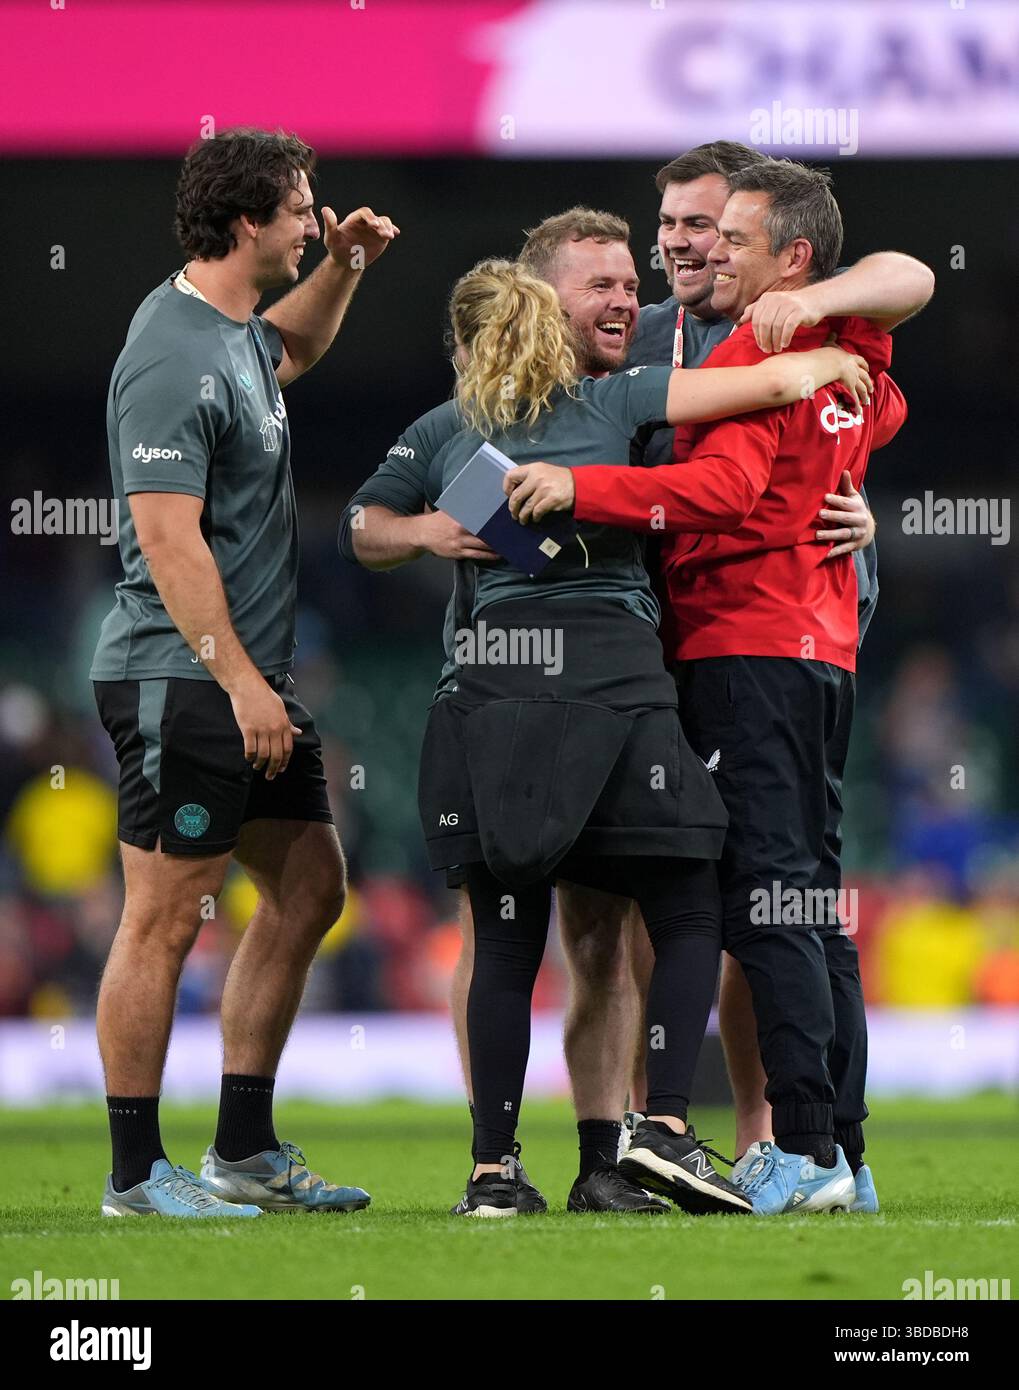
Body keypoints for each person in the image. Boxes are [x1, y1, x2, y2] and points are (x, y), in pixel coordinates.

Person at [377, 254, 871, 1216]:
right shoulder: (621, 399)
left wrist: (432, 532)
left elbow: (361, 523)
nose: (624, 300)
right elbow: (763, 384)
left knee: (508, 932)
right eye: (598, 285)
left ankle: (493, 1174)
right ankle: (660, 1132)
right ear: (545, 316)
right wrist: (825, 360)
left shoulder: (447, 431)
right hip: (614, 678)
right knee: (688, 896)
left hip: (485, 687)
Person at [504, 158, 911, 1214]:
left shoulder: (761, 339)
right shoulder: (838, 348)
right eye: (684, 229)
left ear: (788, 257)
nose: (696, 249)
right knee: (806, 902)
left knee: (764, 900)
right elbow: (885, 396)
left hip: (739, 644)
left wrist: (579, 488)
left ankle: (805, 1147)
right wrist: (837, 467)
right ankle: (844, 1153)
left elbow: (722, 489)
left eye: (724, 235)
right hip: (811, 650)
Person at [91, 127, 398, 1217]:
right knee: (165, 916)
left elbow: (291, 352)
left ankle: (243, 1149)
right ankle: (135, 1174)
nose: (316, 219)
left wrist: (345, 265)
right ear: (245, 224)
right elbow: (167, 540)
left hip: (237, 679)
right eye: (303, 210)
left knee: (311, 886)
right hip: (184, 678)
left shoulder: (229, 335)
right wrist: (238, 681)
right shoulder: (171, 352)